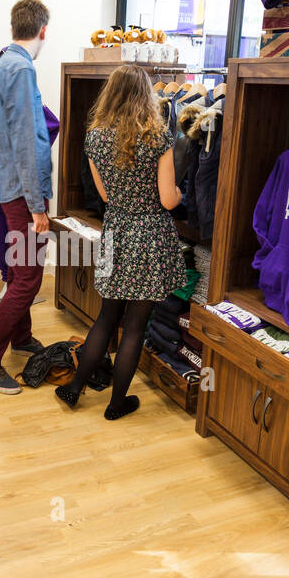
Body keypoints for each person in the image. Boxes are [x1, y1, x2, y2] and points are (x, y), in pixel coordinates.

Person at [55, 66, 187, 419]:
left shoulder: (95, 138)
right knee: (135, 325)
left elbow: (104, 195)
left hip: (116, 231)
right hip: (148, 235)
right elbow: (167, 200)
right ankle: (116, 405)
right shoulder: (157, 137)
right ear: (145, 96)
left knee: (105, 316)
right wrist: (178, 191)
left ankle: (74, 387)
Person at [0, 0, 54, 394]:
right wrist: (38, 205)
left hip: (8, 188)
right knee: (27, 278)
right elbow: (27, 141)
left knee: (22, 271)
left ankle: (21, 338)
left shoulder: (1, 63)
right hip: (22, 195)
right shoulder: (22, 68)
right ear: (42, 31)